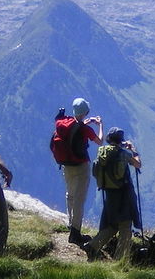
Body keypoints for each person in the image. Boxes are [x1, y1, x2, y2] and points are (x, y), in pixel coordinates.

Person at [88, 127, 142, 261]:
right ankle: (120, 260)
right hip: (124, 195)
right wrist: (133, 150)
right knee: (125, 227)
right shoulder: (123, 154)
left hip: (109, 194)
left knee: (112, 225)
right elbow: (138, 164)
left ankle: (93, 246)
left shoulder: (102, 152)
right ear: (121, 141)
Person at [59, 97, 103, 245]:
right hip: (81, 166)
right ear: (86, 111)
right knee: (80, 199)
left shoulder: (66, 124)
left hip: (66, 165)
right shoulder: (85, 129)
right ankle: (75, 233)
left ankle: (70, 223)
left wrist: (86, 122)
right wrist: (100, 125)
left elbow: (75, 129)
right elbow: (99, 141)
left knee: (69, 194)